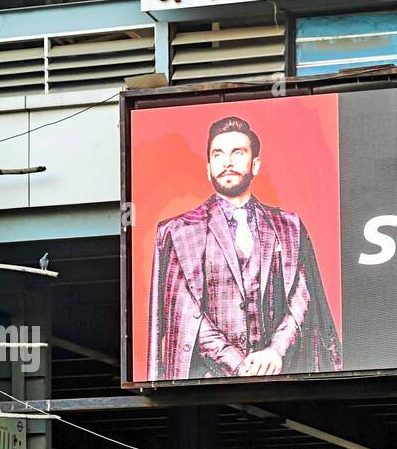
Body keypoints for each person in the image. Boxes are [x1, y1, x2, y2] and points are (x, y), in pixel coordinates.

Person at [147, 115, 343, 381]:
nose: (227, 162)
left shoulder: (289, 226)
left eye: (237, 153)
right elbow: (184, 312)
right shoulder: (178, 231)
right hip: (205, 386)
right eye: (218, 155)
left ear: (256, 164)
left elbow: (303, 298)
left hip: (282, 380)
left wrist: (275, 351)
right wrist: (235, 363)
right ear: (208, 167)